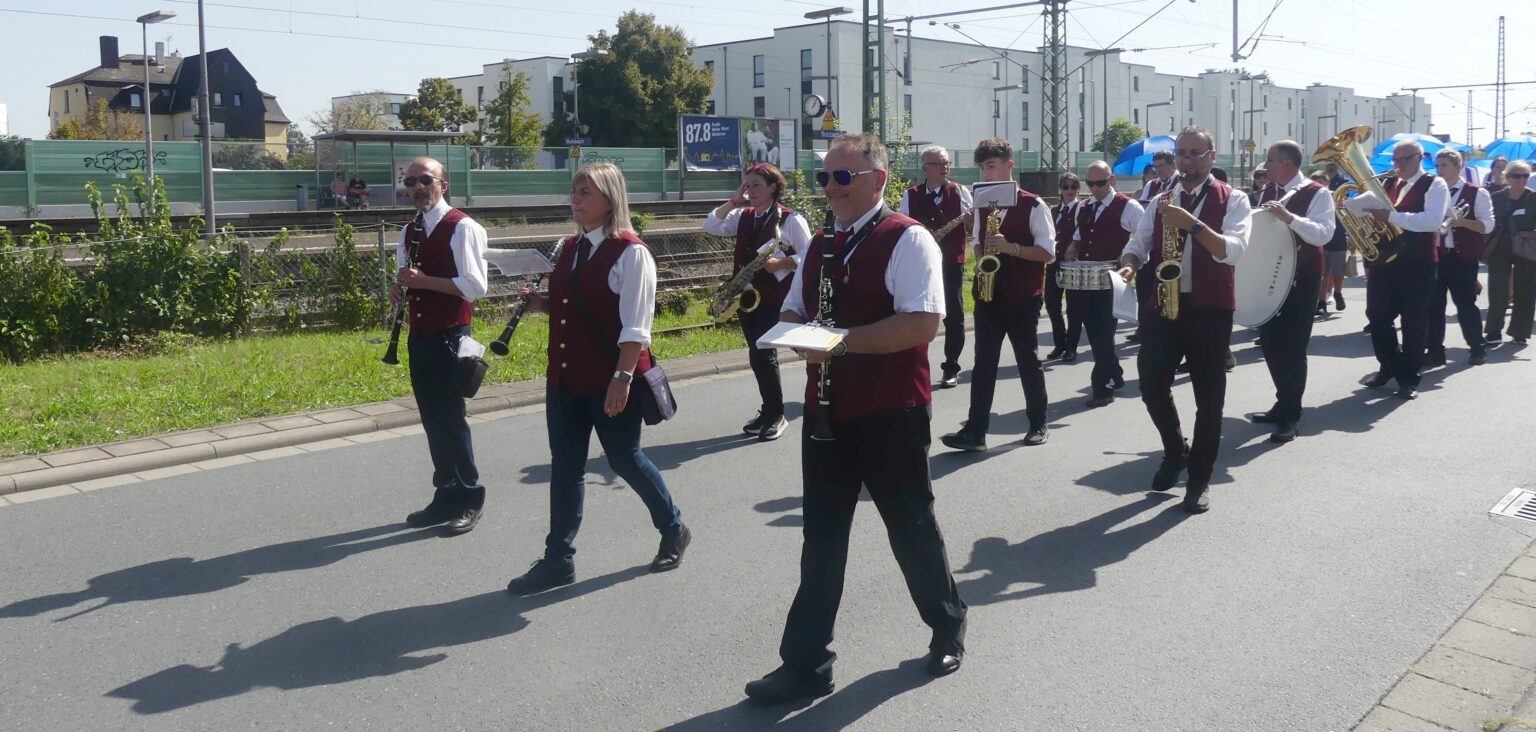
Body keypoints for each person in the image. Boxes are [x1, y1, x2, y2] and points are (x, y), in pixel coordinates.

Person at [744, 133, 967, 705]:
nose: (831, 188)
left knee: (910, 527)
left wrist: (837, 342)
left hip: (891, 411)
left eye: (843, 177)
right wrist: (798, 336)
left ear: (878, 180)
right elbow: (792, 308)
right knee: (820, 540)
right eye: (824, 178)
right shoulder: (820, 244)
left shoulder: (907, 238)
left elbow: (921, 324)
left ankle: (947, 625)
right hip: (826, 411)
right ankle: (805, 663)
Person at [506, 162, 691, 595]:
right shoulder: (570, 247)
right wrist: (540, 304)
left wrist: (622, 379)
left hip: (611, 376)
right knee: (566, 467)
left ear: (609, 200)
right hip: (566, 378)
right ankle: (558, 560)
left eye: (585, 192)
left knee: (625, 459)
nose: (575, 199)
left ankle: (673, 527)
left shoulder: (631, 252)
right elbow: (572, 306)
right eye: (574, 190)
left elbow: (636, 327)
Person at [1116, 126, 1250, 514]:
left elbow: (1233, 251)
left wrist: (1190, 223)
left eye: (1195, 153)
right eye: (1181, 155)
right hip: (1164, 304)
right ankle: (1176, 451)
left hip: (1210, 308)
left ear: (1212, 155)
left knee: (1209, 401)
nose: (1187, 161)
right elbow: (1137, 245)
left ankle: (1199, 478)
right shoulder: (1160, 199)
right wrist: (1128, 266)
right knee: (1151, 385)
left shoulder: (1234, 198)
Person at [391, 157, 491, 535]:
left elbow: (475, 286)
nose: (417, 187)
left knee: (451, 419)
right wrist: (399, 289)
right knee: (432, 419)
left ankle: (469, 497)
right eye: (411, 181)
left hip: (452, 334)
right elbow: (410, 280)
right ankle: (445, 494)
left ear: (443, 185)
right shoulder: (409, 231)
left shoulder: (463, 227)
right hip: (421, 335)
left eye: (426, 180)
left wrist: (424, 281)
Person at [939, 138, 1056, 452]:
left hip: (1023, 295)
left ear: (1009, 165)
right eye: (983, 166)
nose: (986, 172)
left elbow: (1048, 253)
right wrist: (980, 250)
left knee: (1027, 360)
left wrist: (1009, 248)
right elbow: (976, 243)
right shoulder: (981, 203)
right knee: (983, 364)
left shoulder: (1033, 204)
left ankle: (1038, 422)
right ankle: (975, 431)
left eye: (991, 165)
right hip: (988, 294)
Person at [705, 163, 814, 439]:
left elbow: (811, 256)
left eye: (756, 185)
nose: (750, 191)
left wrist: (783, 262)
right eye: (747, 185)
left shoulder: (790, 220)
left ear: (773, 187)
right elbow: (711, 224)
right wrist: (733, 200)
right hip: (747, 297)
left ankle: (779, 414)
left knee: (775, 354)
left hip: (778, 297)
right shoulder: (743, 215)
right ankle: (769, 411)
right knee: (758, 356)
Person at [1248, 141, 1337, 443]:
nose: (1265, 165)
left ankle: (1291, 415)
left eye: (1270, 160)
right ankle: (1282, 402)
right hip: (1271, 278)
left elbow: (1323, 233)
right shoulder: (1268, 191)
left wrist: (1289, 217)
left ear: (1286, 163)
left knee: (1293, 349)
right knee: (1271, 345)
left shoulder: (1317, 192)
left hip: (1302, 278)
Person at [1361, 140, 1449, 400]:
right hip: (1385, 262)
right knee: (1377, 316)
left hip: (1418, 263)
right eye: (1395, 161)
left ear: (1420, 158)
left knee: (1414, 322)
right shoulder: (1388, 184)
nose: (1398, 166)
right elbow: (1377, 220)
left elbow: (1432, 221)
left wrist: (1390, 217)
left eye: (1404, 160)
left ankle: (1409, 378)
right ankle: (1388, 365)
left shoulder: (1435, 184)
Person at [1066, 161, 1143, 407]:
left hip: (1112, 277)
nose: (1095, 189)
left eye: (1100, 183)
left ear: (1111, 180)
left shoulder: (1128, 206)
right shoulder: (1084, 206)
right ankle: (1115, 374)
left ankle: (1102, 387)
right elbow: (1079, 234)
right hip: (1085, 278)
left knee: (1104, 333)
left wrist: (1131, 263)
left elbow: (1143, 238)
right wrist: (1072, 245)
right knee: (1096, 333)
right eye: (1090, 184)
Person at [899, 145, 974, 387]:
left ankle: (951, 367)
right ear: (925, 168)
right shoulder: (911, 194)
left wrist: (971, 222)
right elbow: (903, 227)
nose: (945, 168)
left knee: (954, 316)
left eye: (947, 163)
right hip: (922, 263)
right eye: (939, 164)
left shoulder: (960, 192)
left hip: (952, 262)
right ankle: (912, 366)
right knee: (917, 314)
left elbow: (973, 228)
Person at [1425, 150, 1493, 367]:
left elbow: (1488, 225)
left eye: (1444, 165)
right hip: (1436, 255)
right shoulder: (1432, 191)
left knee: (1465, 304)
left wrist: (1462, 222)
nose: (1439, 169)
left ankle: (1477, 348)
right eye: (1437, 165)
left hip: (1461, 257)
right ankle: (1435, 351)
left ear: (1458, 166)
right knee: (1433, 306)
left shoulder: (1477, 193)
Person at [1486, 160, 1536, 346]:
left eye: (1525, 175)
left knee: (1526, 290)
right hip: (1501, 246)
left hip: (1527, 247)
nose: (1521, 179)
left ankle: (1520, 332)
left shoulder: (1533, 197)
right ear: (1507, 177)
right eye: (1516, 175)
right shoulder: (1497, 197)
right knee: (1498, 290)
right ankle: (1493, 331)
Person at [1132, 150, 1179, 343]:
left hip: (1171, 245)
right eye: (1155, 167)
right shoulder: (1152, 185)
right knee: (1144, 289)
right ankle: (1145, 329)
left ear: (1172, 165)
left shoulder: (1180, 184)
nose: (1157, 170)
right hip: (1151, 242)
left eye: (1161, 166)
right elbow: (1142, 211)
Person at [1045, 173, 1084, 361]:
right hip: (1054, 262)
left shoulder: (1082, 208)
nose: (1069, 190)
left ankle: (1071, 346)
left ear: (1078, 189)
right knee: (1052, 304)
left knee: (1074, 307)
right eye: (1066, 187)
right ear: (1060, 189)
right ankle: (1059, 343)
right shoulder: (1053, 210)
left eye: (1073, 187)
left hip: (1073, 264)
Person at [1312, 170, 1349, 314]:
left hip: (1338, 238)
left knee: (1338, 271)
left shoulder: (1337, 197)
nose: (1319, 186)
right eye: (1316, 183)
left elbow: (1347, 216)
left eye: (1322, 183)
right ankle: (1321, 302)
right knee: (1323, 273)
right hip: (1320, 240)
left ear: (1327, 183)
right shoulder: (1312, 198)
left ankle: (1338, 293)